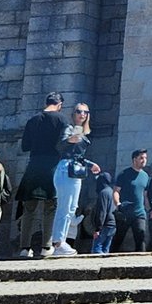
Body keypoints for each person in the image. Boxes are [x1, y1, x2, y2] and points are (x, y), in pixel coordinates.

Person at [18, 92, 67, 257]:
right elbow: (64, 144)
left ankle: (24, 248)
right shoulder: (61, 119)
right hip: (52, 165)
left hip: (34, 164)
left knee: (29, 208)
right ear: (59, 104)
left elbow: (25, 146)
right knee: (50, 206)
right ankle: (46, 247)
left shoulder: (32, 120)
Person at [50, 102, 93, 256]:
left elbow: (79, 156)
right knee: (65, 206)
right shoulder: (68, 128)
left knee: (71, 208)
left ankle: (59, 240)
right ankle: (58, 242)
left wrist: (90, 164)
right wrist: (69, 140)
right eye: (79, 111)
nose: (82, 114)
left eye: (85, 112)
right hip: (66, 169)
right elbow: (59, 147)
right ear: (73, 113)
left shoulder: (82, 131)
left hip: (74, 171)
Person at [114, 150, 152, 255]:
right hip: (125, 212)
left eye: (145, 158)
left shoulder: (145, 176)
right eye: (141, 158)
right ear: (134, 159)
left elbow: (145, 195)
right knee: (118, 239)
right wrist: (118, 204)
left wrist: (149, 209)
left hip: (140, 213)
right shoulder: (124, 174)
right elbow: (116, 191)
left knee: (141, 240)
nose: (144, 160)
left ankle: (140, 263)